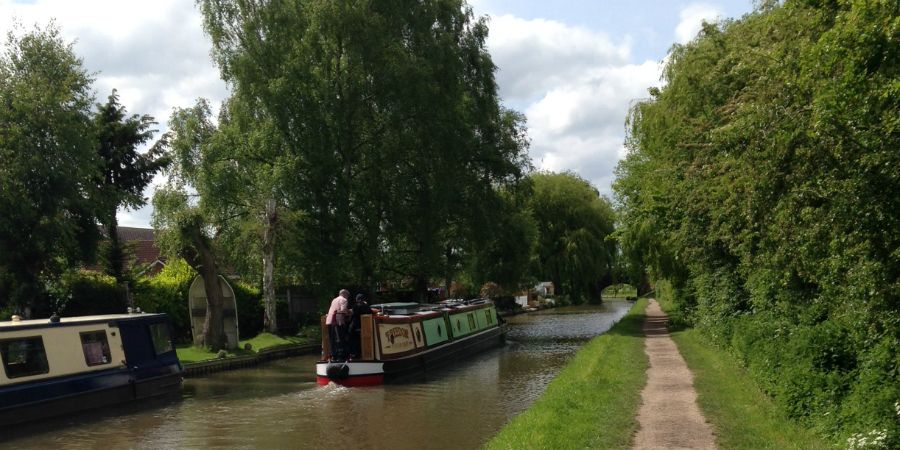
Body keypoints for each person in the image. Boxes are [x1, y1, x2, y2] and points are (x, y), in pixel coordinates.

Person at [325, 289, 350, 361]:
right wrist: (349, 312)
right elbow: (343, 310)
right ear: (345, 295)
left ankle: (333, 355)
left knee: (332, 339)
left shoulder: (334, 300)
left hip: (329, 321)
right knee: (341, 338)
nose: (347, 298)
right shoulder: (344, 300)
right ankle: (341, 356)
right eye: (348, 296)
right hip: (337, 322)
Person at [348, 293, 373, 359]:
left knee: (353, 339)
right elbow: (371, 313)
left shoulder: (355, 306)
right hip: (365, 328)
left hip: (355, 327)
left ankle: (354, 354)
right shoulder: (367, 306)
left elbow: (352, 316)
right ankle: (365, 354)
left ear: (357, 299)